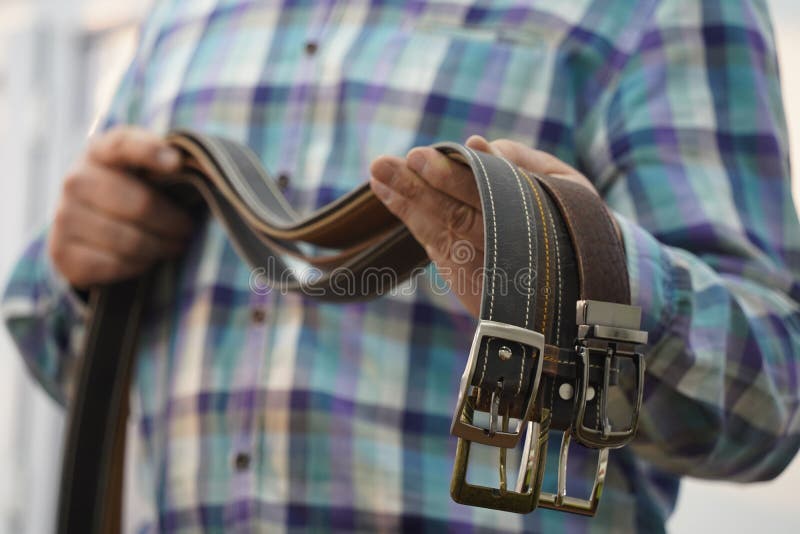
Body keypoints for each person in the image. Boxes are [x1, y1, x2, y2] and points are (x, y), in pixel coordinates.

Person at [4, 1, 800, 532]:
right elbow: (77, 361)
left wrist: (591, 283)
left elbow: (775, 403)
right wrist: (72, 273)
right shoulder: (186, 14)